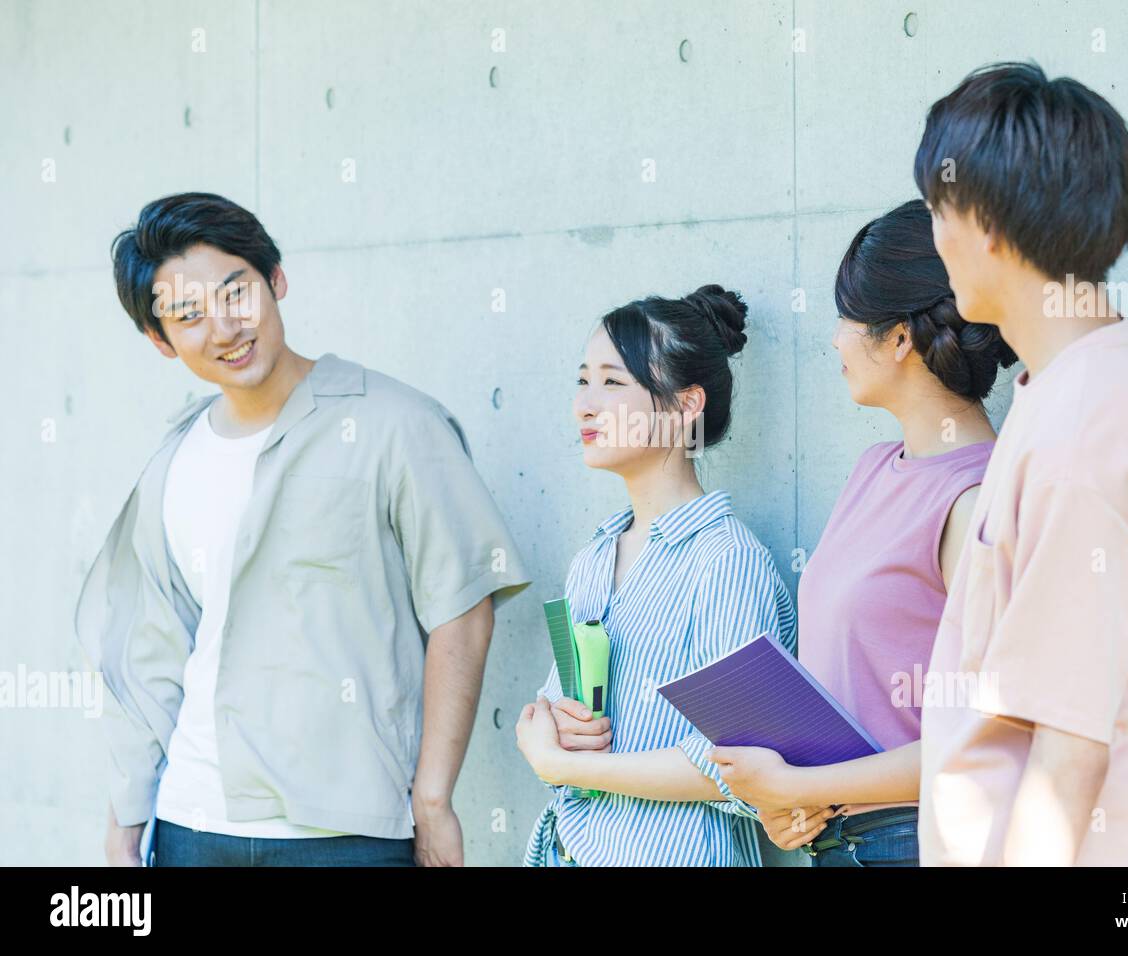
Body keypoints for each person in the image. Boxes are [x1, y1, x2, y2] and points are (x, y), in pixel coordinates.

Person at [75, 192, 530, 866]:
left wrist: (433, 799)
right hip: (190, 825)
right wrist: (126, 817)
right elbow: (150, 651)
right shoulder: (172, 460)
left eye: (237, 293)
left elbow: (462, 610)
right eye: (189, 315)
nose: (225, 327)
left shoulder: (395, 424)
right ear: (160, 340)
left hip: (347, 834)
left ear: (275, 279)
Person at [911, 62, 1128, 865]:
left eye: (940, 209)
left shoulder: (1083, 426)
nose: (936, 237)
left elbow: (1068, 758)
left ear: (988, 226)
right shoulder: (1092, 381)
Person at [710, 200, 1016, 867]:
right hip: (838, 843)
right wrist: (791, 804)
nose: (836, 339)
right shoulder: (873, 469)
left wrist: (801, 787)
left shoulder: (977, 499)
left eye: (847, 319)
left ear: (900, 338)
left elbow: (988, 736)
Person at [514, 285, 797, 866]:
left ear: (687, 404)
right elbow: (553, 711)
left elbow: (736, 762)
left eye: (613, 383)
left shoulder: (724, 559)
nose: (585, 406)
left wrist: (564, 764)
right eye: (583, 380)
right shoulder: (593, 558)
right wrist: (546, 729)